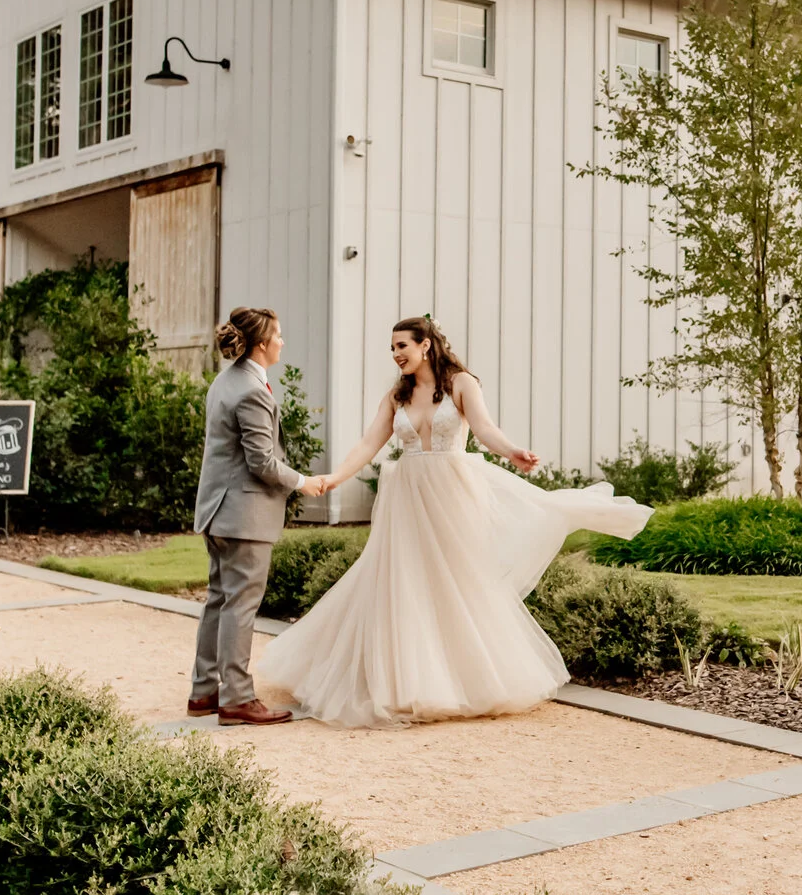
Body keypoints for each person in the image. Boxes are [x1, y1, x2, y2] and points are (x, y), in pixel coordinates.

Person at [253, 315, 651, 728]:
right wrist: (333, 478)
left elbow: (484, 429)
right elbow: (370, 443)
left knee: (456, 583)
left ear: (425, 345)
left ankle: (463, 679)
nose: (395, 355)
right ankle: (403, 683)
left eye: (402, 346)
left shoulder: (461, 384)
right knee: (404, 583)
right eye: (392, 349)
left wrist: (512, 451)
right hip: (407, 498)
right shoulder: (397, 396)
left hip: (452, 495)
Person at [188, 306, 305, 726]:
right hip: (244, 514)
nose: (282, 342)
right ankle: (236, 697)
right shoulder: (252, 390)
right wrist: (304, 481)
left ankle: (204, 692)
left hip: (218, 510)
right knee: (240, 606)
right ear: (262, 344)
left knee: (219, 599)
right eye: (278, 335)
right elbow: (263, 463)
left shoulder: (225, 381)